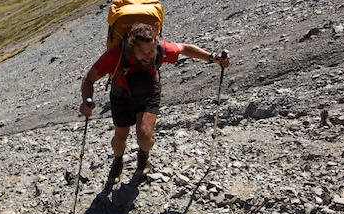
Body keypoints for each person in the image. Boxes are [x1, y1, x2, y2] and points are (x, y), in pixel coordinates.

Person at [79, 22, 231, 184]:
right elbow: (89, 79)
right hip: (121, 96)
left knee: (144, 136)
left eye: (151, 51)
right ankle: (117, 161)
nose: (147, 56)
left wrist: (212, 57)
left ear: (155, 45)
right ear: (131, 47)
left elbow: (184, 48)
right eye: (141, 52)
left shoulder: (161, 49)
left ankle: (143, 156)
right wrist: (86, 101)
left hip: (149, 93)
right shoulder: (115, 54)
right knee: (120, 136)